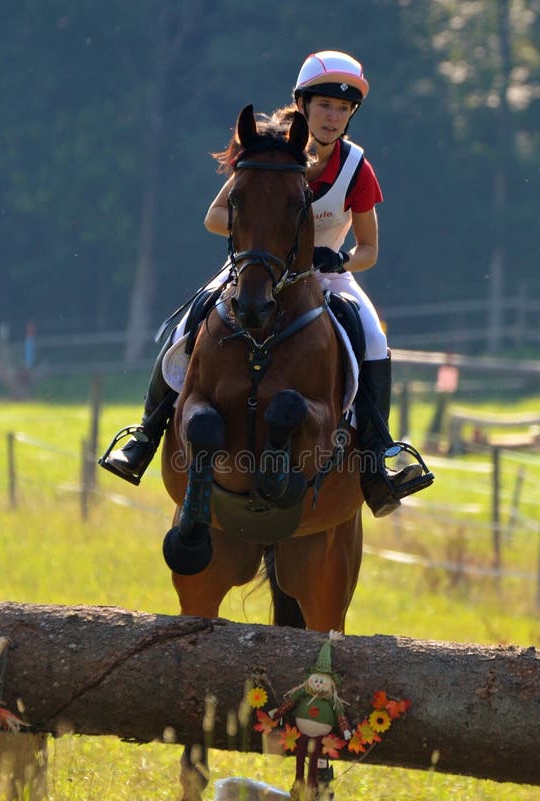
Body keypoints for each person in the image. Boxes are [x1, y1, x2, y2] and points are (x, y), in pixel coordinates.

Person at [100, 50, 433, 516]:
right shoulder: (265, 149)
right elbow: (214, 216)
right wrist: (258, 239)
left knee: (373, 337)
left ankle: (379, 456)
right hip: (256, 267)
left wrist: (339, 259)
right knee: (189, 322)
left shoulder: (356, 166)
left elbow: (370, 248)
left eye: (343, 109)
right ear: (303, 104)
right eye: (324, 106)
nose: (334, 117)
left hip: (324, 276)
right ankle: (146, 433)